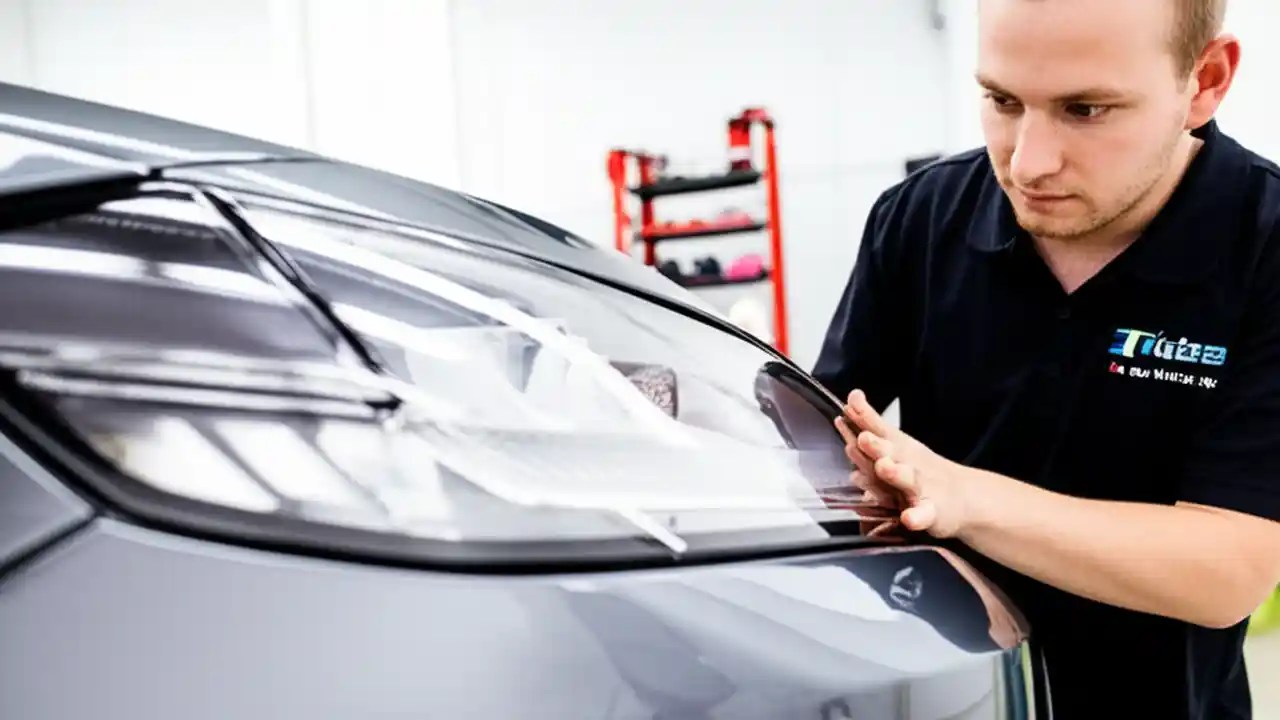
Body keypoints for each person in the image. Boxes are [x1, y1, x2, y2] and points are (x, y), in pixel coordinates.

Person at [812, 0, 1280, 718]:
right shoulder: (919, 219)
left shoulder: (1264, 247)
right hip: (948, 695)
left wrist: (962, 499)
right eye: (1001, 100)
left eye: (1086, 109)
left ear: (1206, 80)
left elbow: (1228, 571)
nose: (1028, 162)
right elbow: (817, 442)